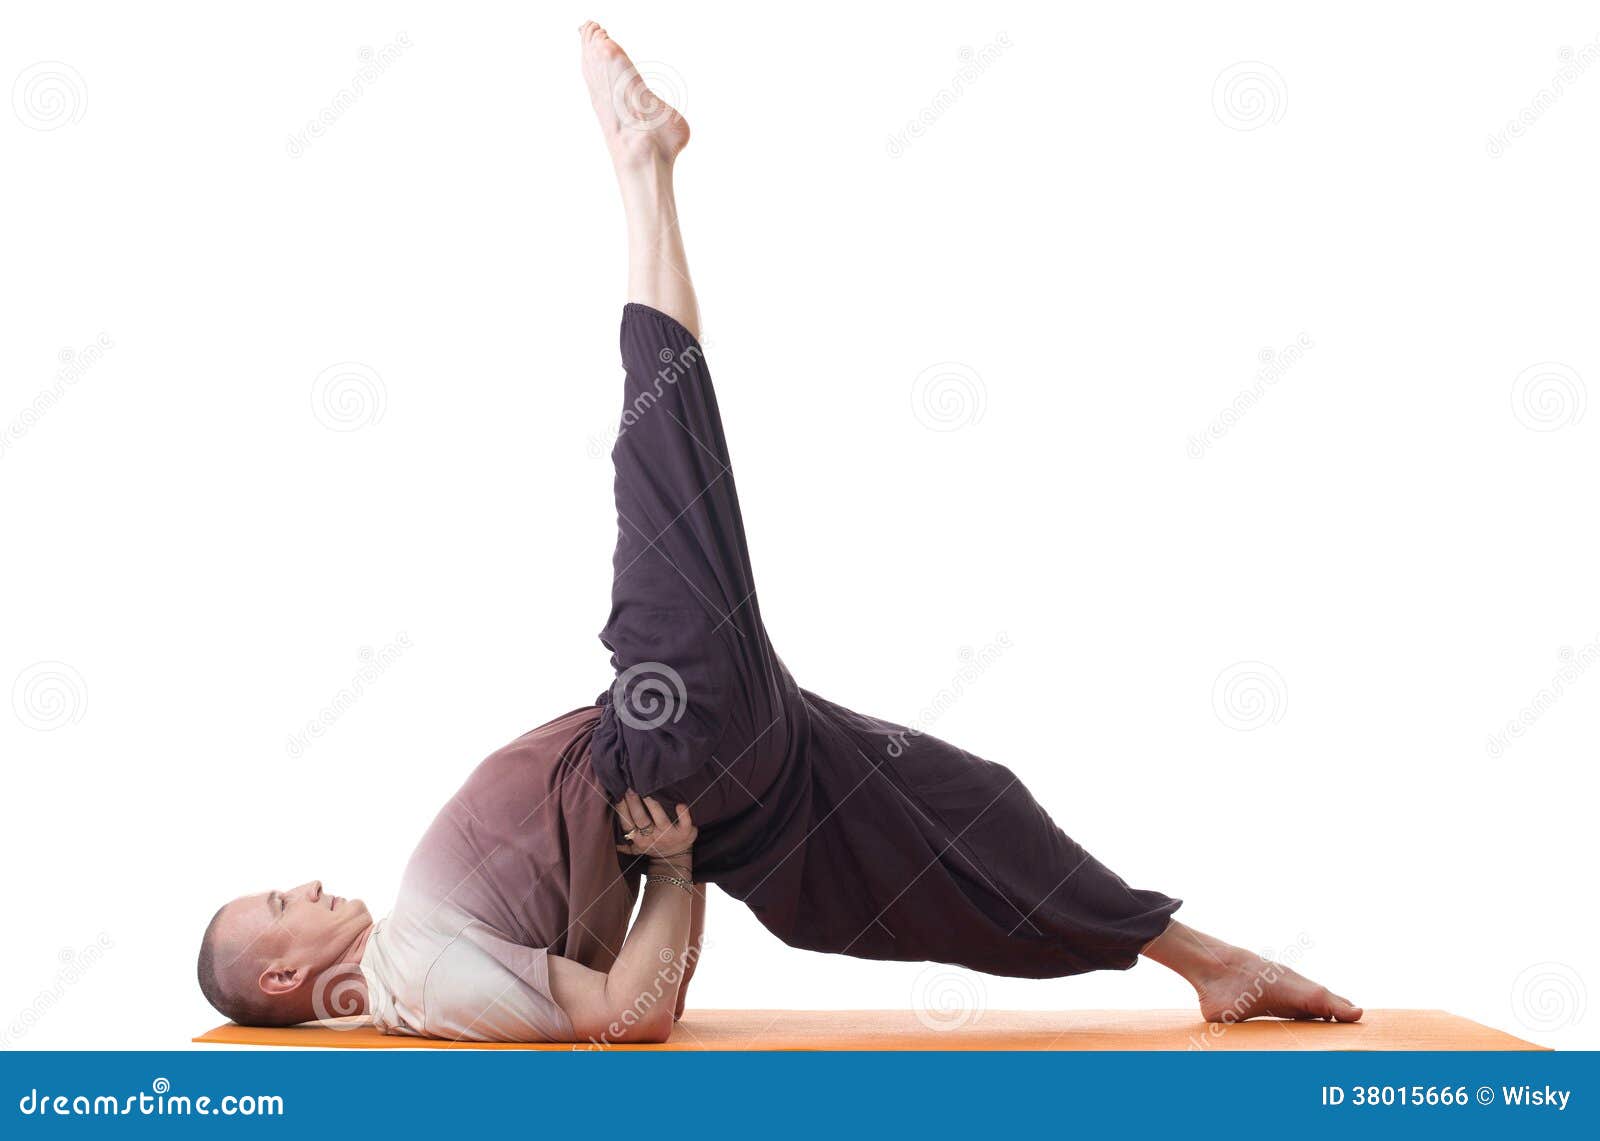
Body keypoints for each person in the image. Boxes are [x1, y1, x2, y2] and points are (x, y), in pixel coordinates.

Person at [195, 22, 1362, 1044]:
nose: (304, 883)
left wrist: (678, 854)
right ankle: (642, 168)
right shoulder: (422, 979)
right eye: (281, 904)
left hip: (726, 768)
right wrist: (674, 863)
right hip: (671, 741)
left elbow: (611, 971)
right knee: (663, 463)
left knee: (968, 809)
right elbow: (628, 1019)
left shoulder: (417, 957)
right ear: (287, 977)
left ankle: (1215, 964)